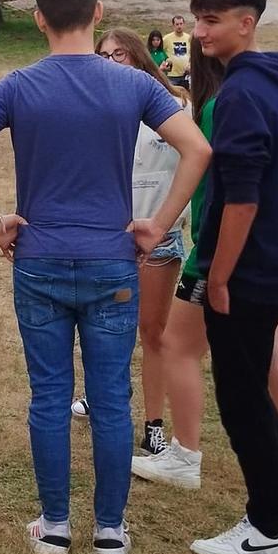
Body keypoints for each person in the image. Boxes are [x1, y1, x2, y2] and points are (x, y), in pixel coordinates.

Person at [0, 0, 209, 554]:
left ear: (38, 18)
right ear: (98, 13)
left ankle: (56, 524)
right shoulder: (136, 86)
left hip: (39, 261)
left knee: (49, 395)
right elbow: (198, 148)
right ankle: (110, 531)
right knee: (113, 398)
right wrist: (159, 225)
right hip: (113, 262)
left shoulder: (17, 85)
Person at [185, 0, 278, 554]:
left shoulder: (241, 92)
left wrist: (217, 276)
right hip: (276, 264)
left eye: (211, 21)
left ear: (247, 22)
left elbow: (242, 197)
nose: (199, 32)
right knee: (253, 388)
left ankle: (263, 528)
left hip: (244, 271)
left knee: (240, 399)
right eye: (197, 19)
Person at [95, 28, 190, 465]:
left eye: (121, 54)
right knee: (104, 327)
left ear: (140, 58)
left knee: (151, 332)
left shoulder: (176, 107)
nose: (112, 62)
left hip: (158, 241)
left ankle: (154, 426)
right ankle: (102, 399)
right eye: (103, 55)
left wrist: (168, 221)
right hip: (106, 240)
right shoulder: (96, 110)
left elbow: (196, 160)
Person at [161, 14, 194, 86]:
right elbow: (160, 51)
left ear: (184, 24)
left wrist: (191, 65)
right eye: (177, 24)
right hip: (172, 76)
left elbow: (193, 54)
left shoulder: (189, 38)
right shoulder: (167, 38)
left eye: (181, 24)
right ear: (173, 26)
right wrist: (165, 61)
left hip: (186, 75)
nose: (179, 26)